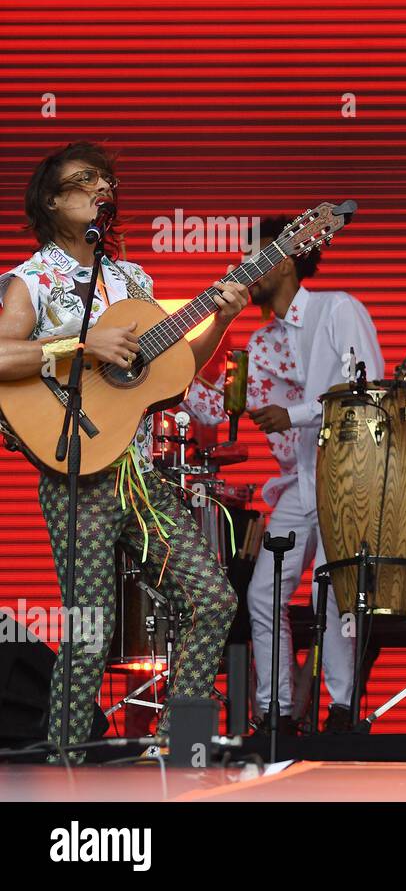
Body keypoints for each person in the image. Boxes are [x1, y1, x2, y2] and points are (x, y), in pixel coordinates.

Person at [0, 141, 245, 758]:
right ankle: (63, 755)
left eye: (104, 179)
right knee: (89, 625)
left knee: (214, 599)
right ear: (52, 201)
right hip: (73, 472)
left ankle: (180, 744)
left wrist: (217, 321)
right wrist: (79, 346)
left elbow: (172, 371)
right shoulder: (33, 281)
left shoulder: (133, 280)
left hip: (137, 473)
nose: (99, 187)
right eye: (82, 181)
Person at [184, 215, 384, 733]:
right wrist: (168, 374)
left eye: (259, 257)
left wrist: (292, 416)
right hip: (301, 479)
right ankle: (275, 713)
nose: (248, 267)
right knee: (265, 591)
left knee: (335, 592)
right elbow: (217, 409)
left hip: (347, 473)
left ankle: (342, 710)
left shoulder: (336, 308)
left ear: (288, 260)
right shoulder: (262, 342)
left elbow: (366, 387)